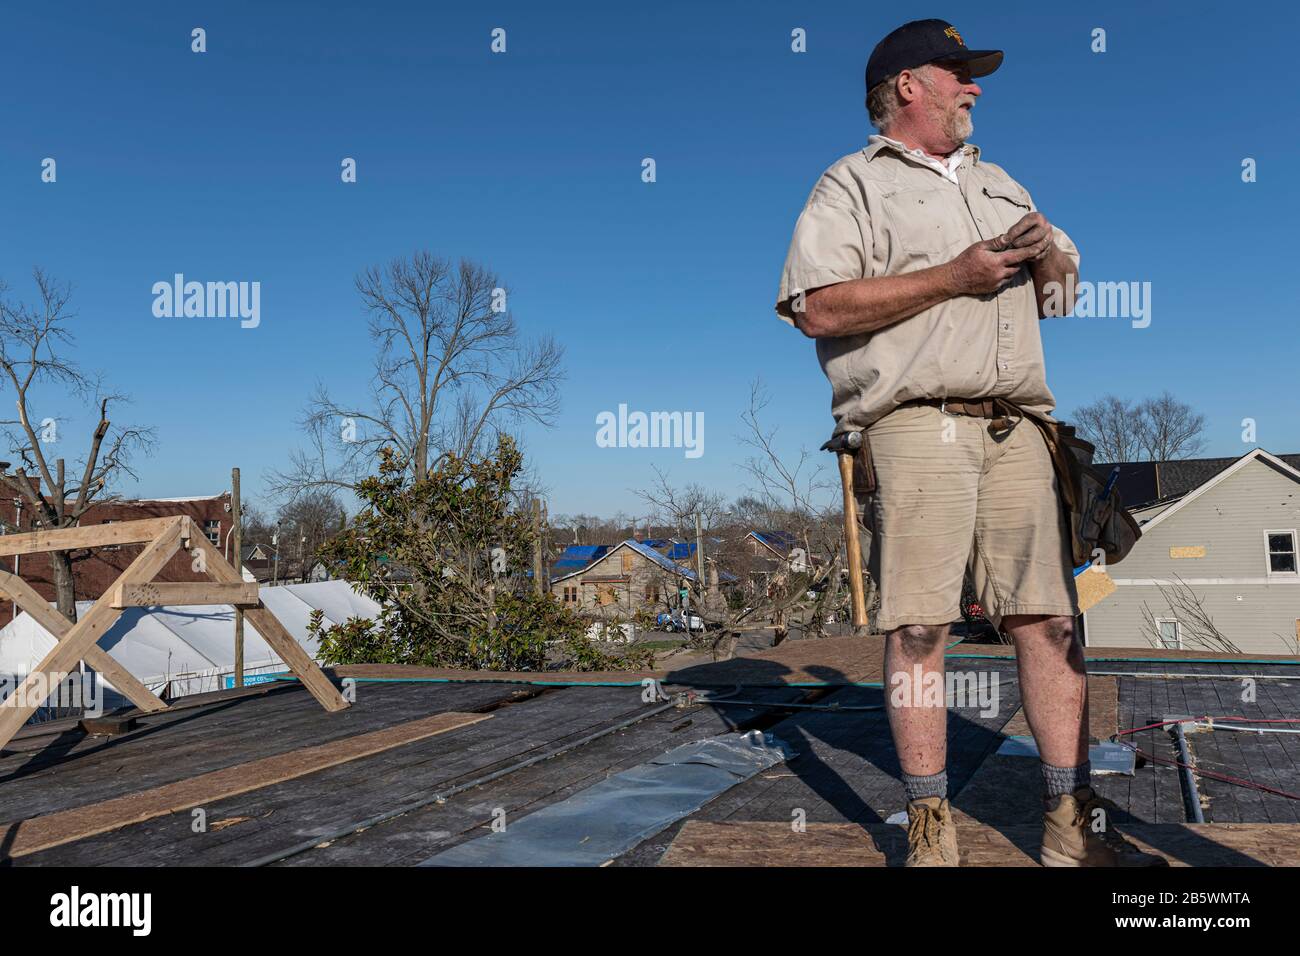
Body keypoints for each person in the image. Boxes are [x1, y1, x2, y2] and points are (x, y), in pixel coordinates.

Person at [774, 18, 1165, 867]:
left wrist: (1049, 254)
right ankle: (929, 827)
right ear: (907, 86)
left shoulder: (1001, 182)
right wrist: (955, 275)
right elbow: (817, 307)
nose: (974, 89)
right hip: (914, 428)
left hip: (1019, 426)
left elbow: (1058, 297)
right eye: (958, 74)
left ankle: (1068, 825)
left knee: (1052, 621)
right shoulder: (850, 185)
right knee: (918, 630)